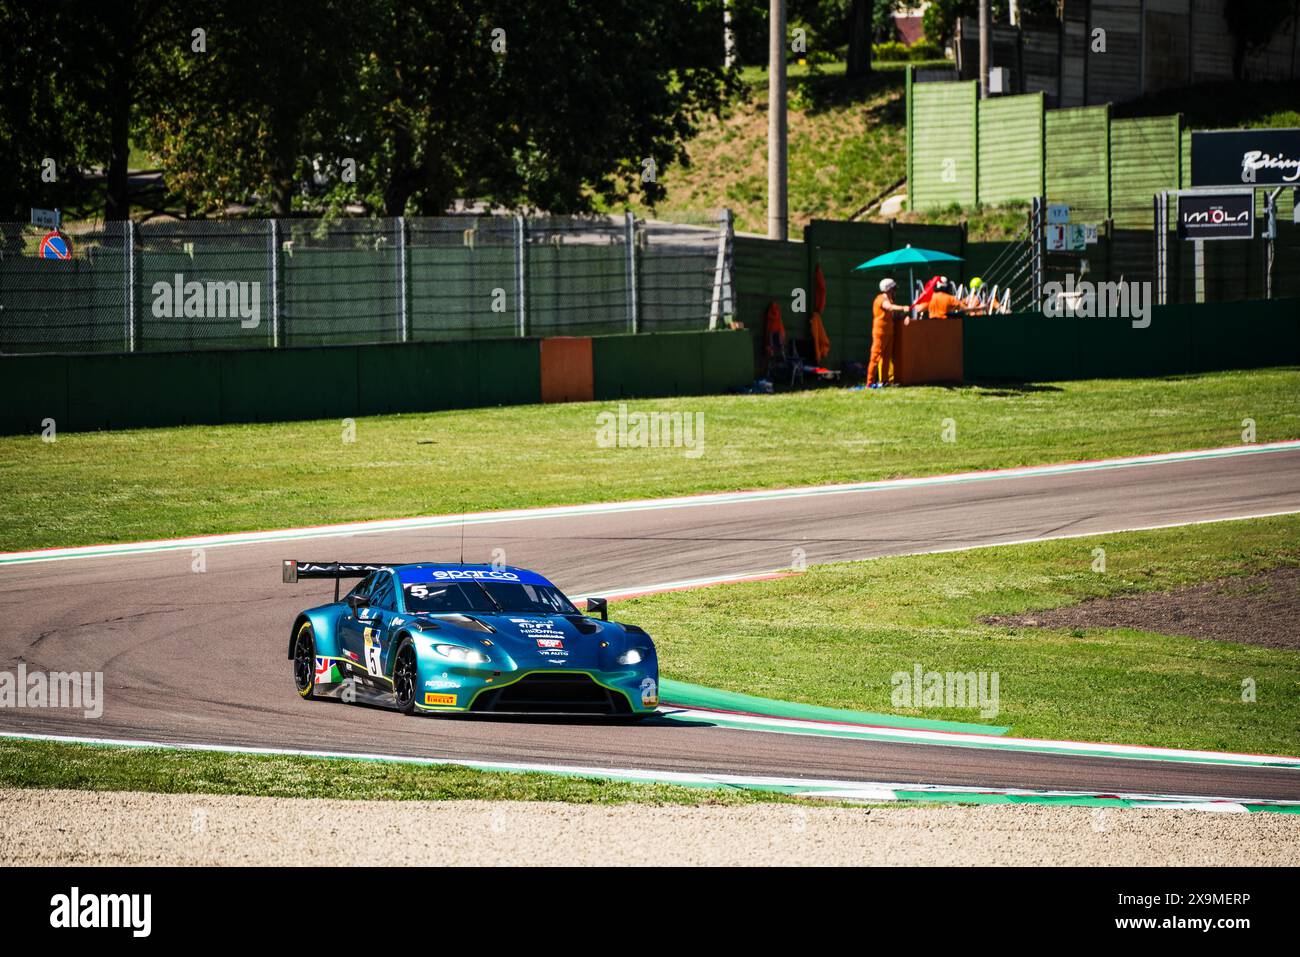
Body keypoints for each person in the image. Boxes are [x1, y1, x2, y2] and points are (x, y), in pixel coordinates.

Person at [867, 277, 909, 388]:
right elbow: (889, 308)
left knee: (886, 358)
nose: (895, 291)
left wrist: (904, 316)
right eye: (894, 289)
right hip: (880, 333)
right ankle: (869, 383)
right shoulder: (881, 299)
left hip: (888, 333)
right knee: (875, 357)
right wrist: (902, 308)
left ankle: (884, 381)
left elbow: (893, 314)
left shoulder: (889, 300)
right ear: (889, 289)